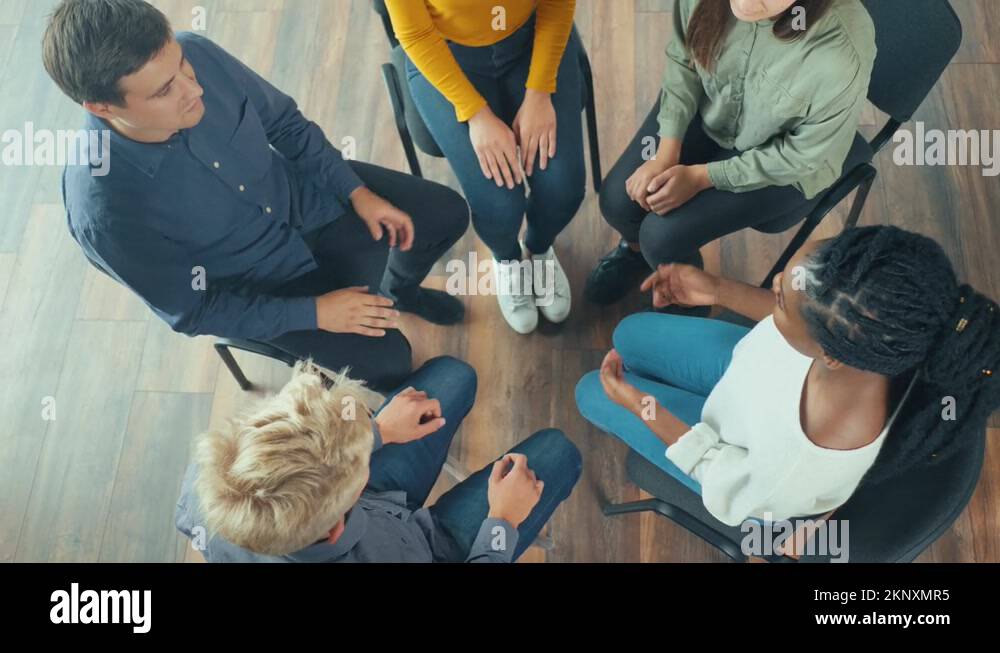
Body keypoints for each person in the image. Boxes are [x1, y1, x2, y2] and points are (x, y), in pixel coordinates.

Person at [43, 0, 470, 390]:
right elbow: (193, 310)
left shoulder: (196, 53)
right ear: (101, 107)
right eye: (162, 91)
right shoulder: (105, 211)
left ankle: (401, 290)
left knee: (446, 213)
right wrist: (316, 313)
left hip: (311, 202)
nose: (194, 90)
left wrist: (355, 191)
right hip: (268, 286)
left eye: (182, 67)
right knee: (392, 361)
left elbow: (284, 124)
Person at [576, 225, 999, 527]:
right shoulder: (867, 338)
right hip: (745, 374)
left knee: (591, 390)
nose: (775, 280)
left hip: (723, 449)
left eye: (777, 297)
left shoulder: (804, 458)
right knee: (628, 334)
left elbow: (726, 485)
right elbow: (806, 317)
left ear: (831, 356)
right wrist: (717, 289)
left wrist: (641, 406)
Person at [584, 0, 876, 308]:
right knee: (618, 202)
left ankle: (687, 301)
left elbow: (804, 155)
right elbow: (685, 60)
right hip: (715, 108)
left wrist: (702, 177)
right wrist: (666, 150)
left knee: (663, 238)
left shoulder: (841, 55)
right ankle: (635, 253)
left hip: (788, 161)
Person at [176, 355, 582, 562]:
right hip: (434, 550)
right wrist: (503, 523)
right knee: (557, 453)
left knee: (452, 375)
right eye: (362, 460)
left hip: (368, 508)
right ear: (336, 528)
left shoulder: (215, 473)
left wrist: (377, 432)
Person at [386, 0, 584, 334]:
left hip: (531, 39)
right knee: (498, 201)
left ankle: (538, 249)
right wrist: (475, 113)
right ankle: (507, 260)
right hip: (445, 54)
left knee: (563, 186)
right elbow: (416, 33)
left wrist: (539, 91)